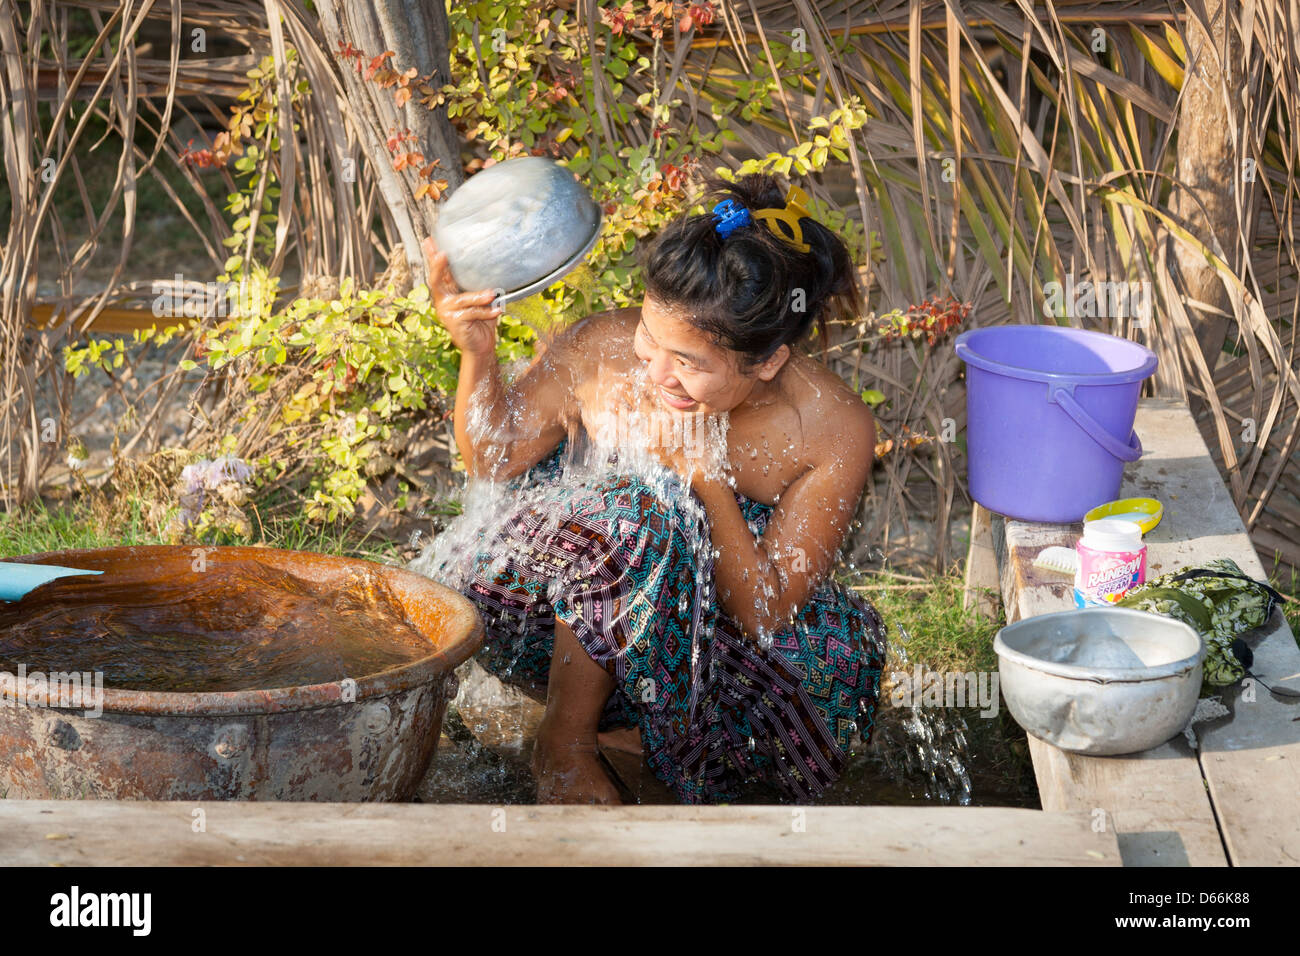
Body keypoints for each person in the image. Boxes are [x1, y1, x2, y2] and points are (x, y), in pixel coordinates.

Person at [420, 171, 887, 805]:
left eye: (690, 362)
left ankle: (638, 734)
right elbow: (493, 458)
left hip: (676, 638)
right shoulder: (604, 345)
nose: (655, 372)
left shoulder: (831, 429)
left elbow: (765, 614)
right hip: (531, 610)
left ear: (769, 361)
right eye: (650, 337)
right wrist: (477, 352)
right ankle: (564, 743)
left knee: (844, 648)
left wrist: (705, 477)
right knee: (640, 509)